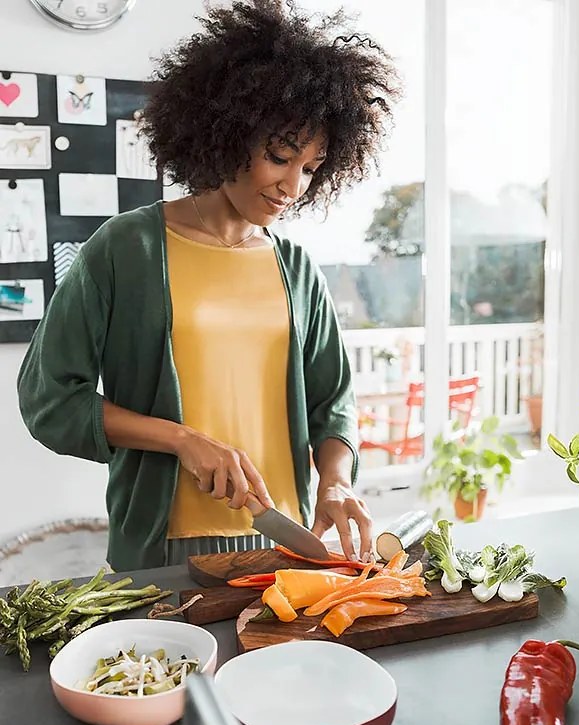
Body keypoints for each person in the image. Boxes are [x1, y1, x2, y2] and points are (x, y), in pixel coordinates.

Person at [17, 0, 400, 571]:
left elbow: (332, 403)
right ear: (228, 133)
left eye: (312, 167)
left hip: (285, 542)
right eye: (279, 156)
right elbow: (50, 398)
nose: (293, 185)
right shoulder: (126, 250)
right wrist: (181, 439)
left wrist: (337, 481)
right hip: (164, 548)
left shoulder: (296, 269)